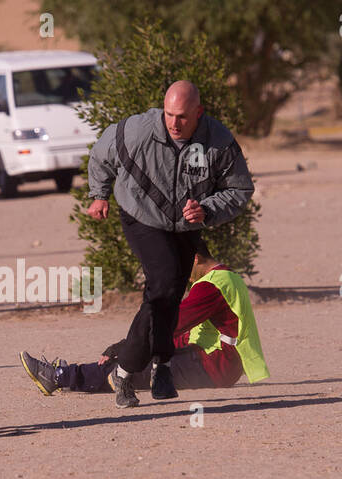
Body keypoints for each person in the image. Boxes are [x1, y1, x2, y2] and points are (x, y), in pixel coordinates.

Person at [86, 81, 253, 408]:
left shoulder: (217, 142)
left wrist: (208, 209)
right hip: (141, 215)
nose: (174, 123)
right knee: (162, 284)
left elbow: (239, 189)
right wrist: (99, 194)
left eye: (182, 117)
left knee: (170, 295)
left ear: (199, 113)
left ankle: (161, 364)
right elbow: (102, 152)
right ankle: (125, 370)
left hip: (187, 223)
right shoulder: (138, 131)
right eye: (169, 114)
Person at [19, 244, 268, 396]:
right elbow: (183, 331)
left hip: (214, 367)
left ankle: (59, 376)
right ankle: (67, 373)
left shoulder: (210, 286)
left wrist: (128, 348)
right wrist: (133, 346)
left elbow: (172, 323)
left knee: (127, 369)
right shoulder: (229, 278)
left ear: (195, 259)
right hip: (219, 360)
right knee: (135, 357)